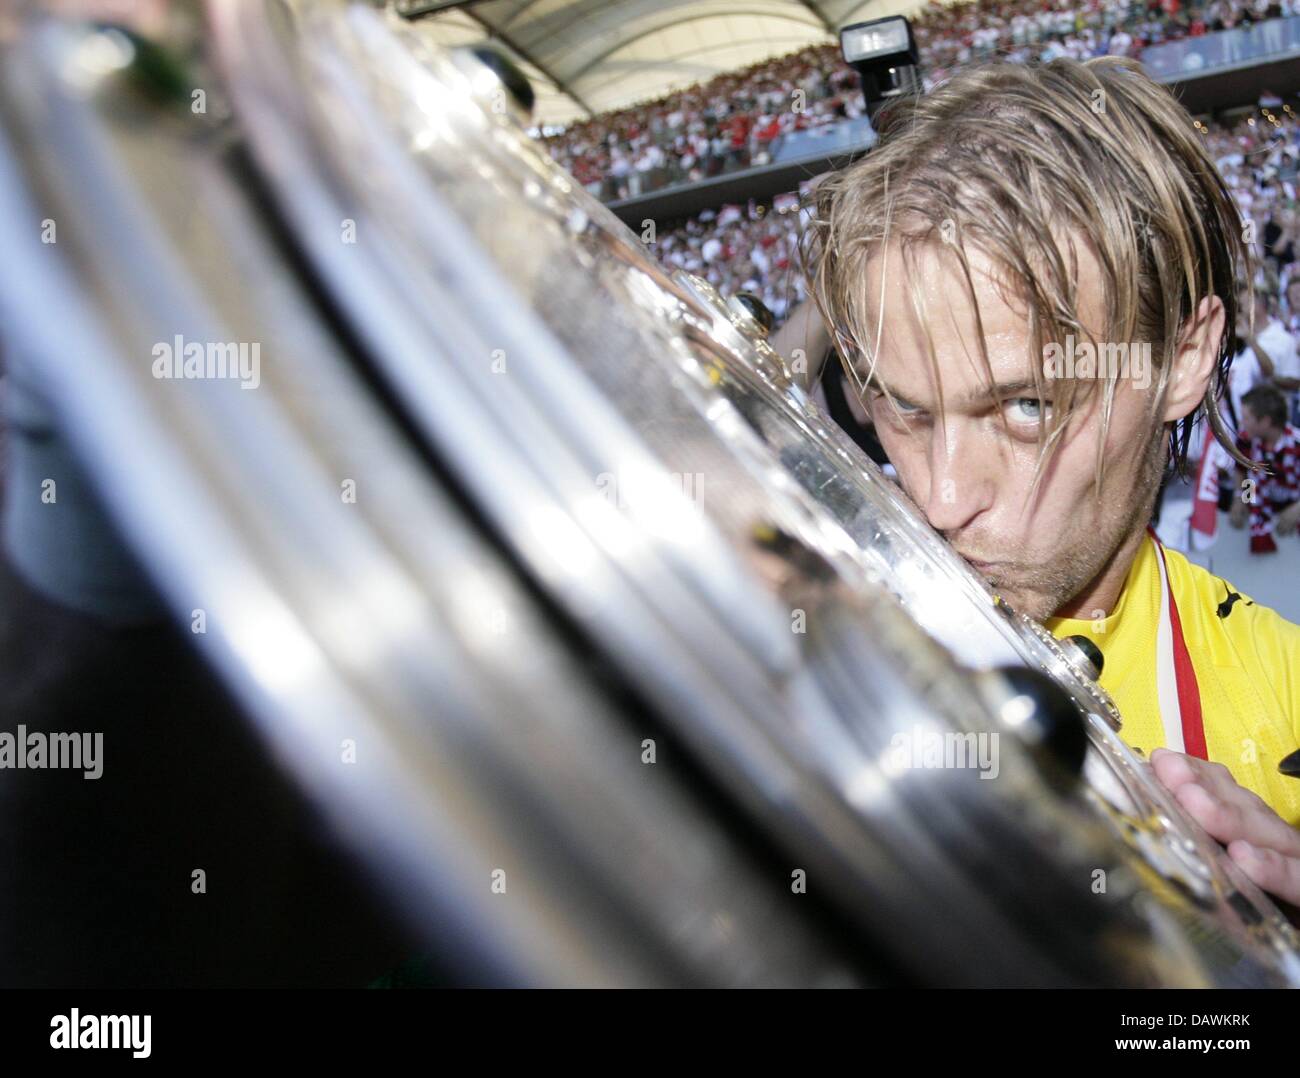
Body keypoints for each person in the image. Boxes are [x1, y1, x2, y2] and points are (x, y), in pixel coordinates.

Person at [802, 56, 1300, 904]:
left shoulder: (1283, 697)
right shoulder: (806, 623)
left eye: (1026, 407)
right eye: (905, 408)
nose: (941, 497)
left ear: (1182, 359)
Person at [1230, 383, 1300, 551]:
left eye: (1246, 418)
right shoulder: (1245, 441)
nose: (1242, 422)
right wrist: (1241, 499)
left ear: (1266, 421)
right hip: (1262, 515)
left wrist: (1297, 510)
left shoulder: (1297, 444)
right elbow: (1243, 472)